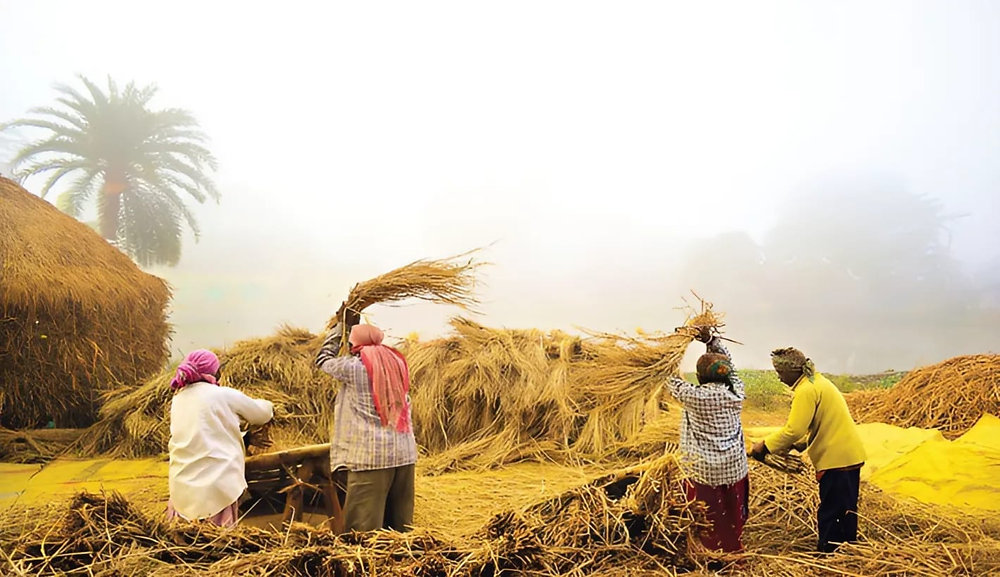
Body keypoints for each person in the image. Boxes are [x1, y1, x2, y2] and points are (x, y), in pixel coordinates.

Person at [749, 347, 866, 553]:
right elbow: (821, 423)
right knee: (846, 509)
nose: (779, 377)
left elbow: (794, 429)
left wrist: (764, 446)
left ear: (793, 370)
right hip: (848, 455)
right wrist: (799, 444)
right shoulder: (819, 382)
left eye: (780, 373)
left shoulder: (806, 390)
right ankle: (848, 551)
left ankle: (830, 555)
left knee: (832, 511)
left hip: (836, 458)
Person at [316, 322, 417, 532]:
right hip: (405, 456)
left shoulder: (354, 367)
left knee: (364, 532)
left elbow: (323, 360)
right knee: (400, 530)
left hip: (372, 458)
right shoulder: (397, 362)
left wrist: (337, 331)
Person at [166, 349, 274, 527]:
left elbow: (204, 433)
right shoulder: (222, 394)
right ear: (214, 372)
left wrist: (244, 437)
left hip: (181, 486)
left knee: (185, 543)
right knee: (219, 545)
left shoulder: (178, 399)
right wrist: (270, 404)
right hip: (216, 485)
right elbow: (261, 414)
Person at [667, 326, 749, 556]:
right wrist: (712, 340)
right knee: (731, 514)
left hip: (703, 472)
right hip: (734, 468)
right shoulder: (737, 394)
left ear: (700, 377)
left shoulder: (694, 396)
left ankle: (710, 555)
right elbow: (730, 368)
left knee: (707, 517)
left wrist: (672, 350)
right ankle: (733, 549)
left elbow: (667, 378)